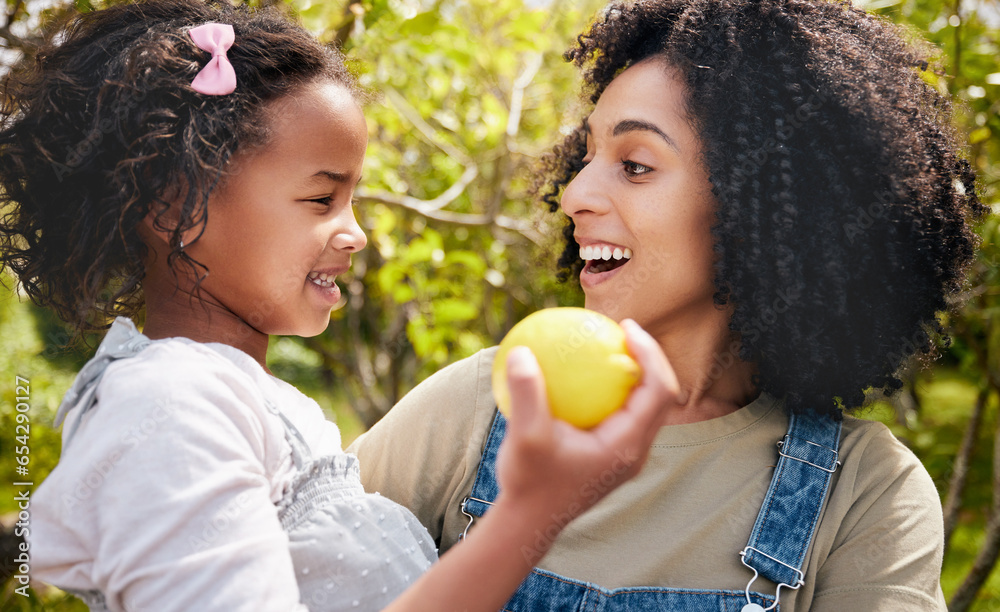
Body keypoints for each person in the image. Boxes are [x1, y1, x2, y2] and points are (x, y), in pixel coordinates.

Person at [0, 1, 682, 610]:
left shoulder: (242, 401)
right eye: (321, 199)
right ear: (173, 203)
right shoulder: (169, 410)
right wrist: (532, 514)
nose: (355, 232)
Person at [350, 0, 987, 610]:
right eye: (587, 154)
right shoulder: (481, 404)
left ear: (759, 208)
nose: (574, 194)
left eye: (635, 165)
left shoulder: (866, 493)